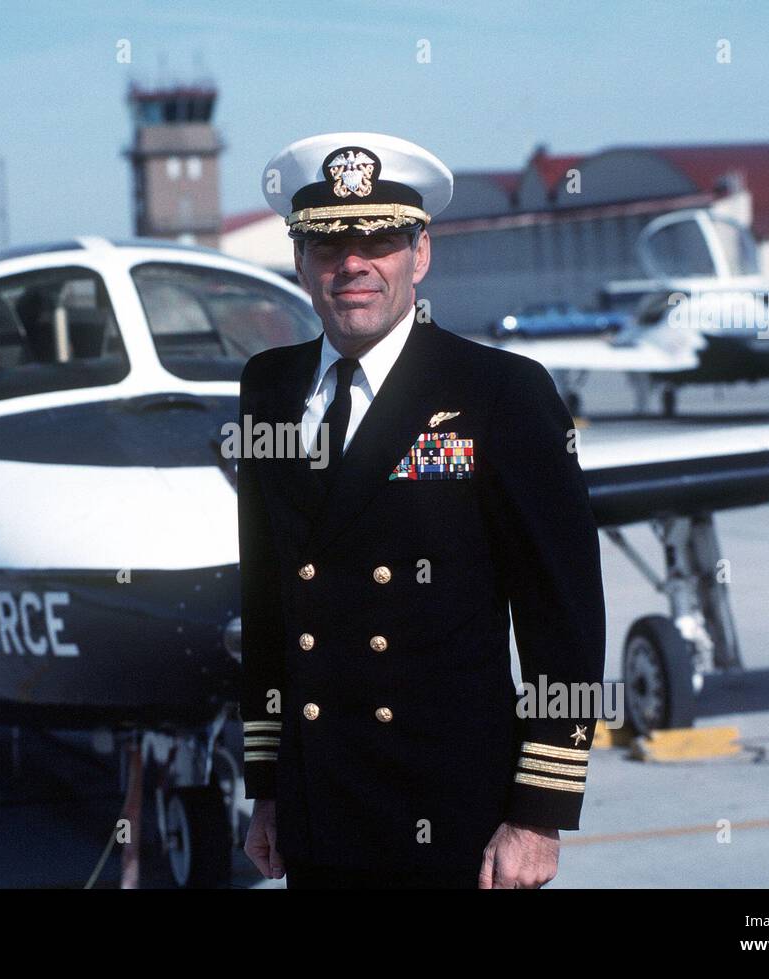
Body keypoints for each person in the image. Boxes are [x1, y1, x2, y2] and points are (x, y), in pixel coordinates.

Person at [237, 132, 607, 889]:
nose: (352, 263)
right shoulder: (268, 389)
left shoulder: (501, 393)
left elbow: (562, 620)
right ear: (300, 259)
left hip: (456, 824)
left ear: (419, 253)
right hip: (319, 818)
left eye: (378, 237)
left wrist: (539, 811)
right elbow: (268, 603)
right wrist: (267, 789)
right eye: (327, 242)